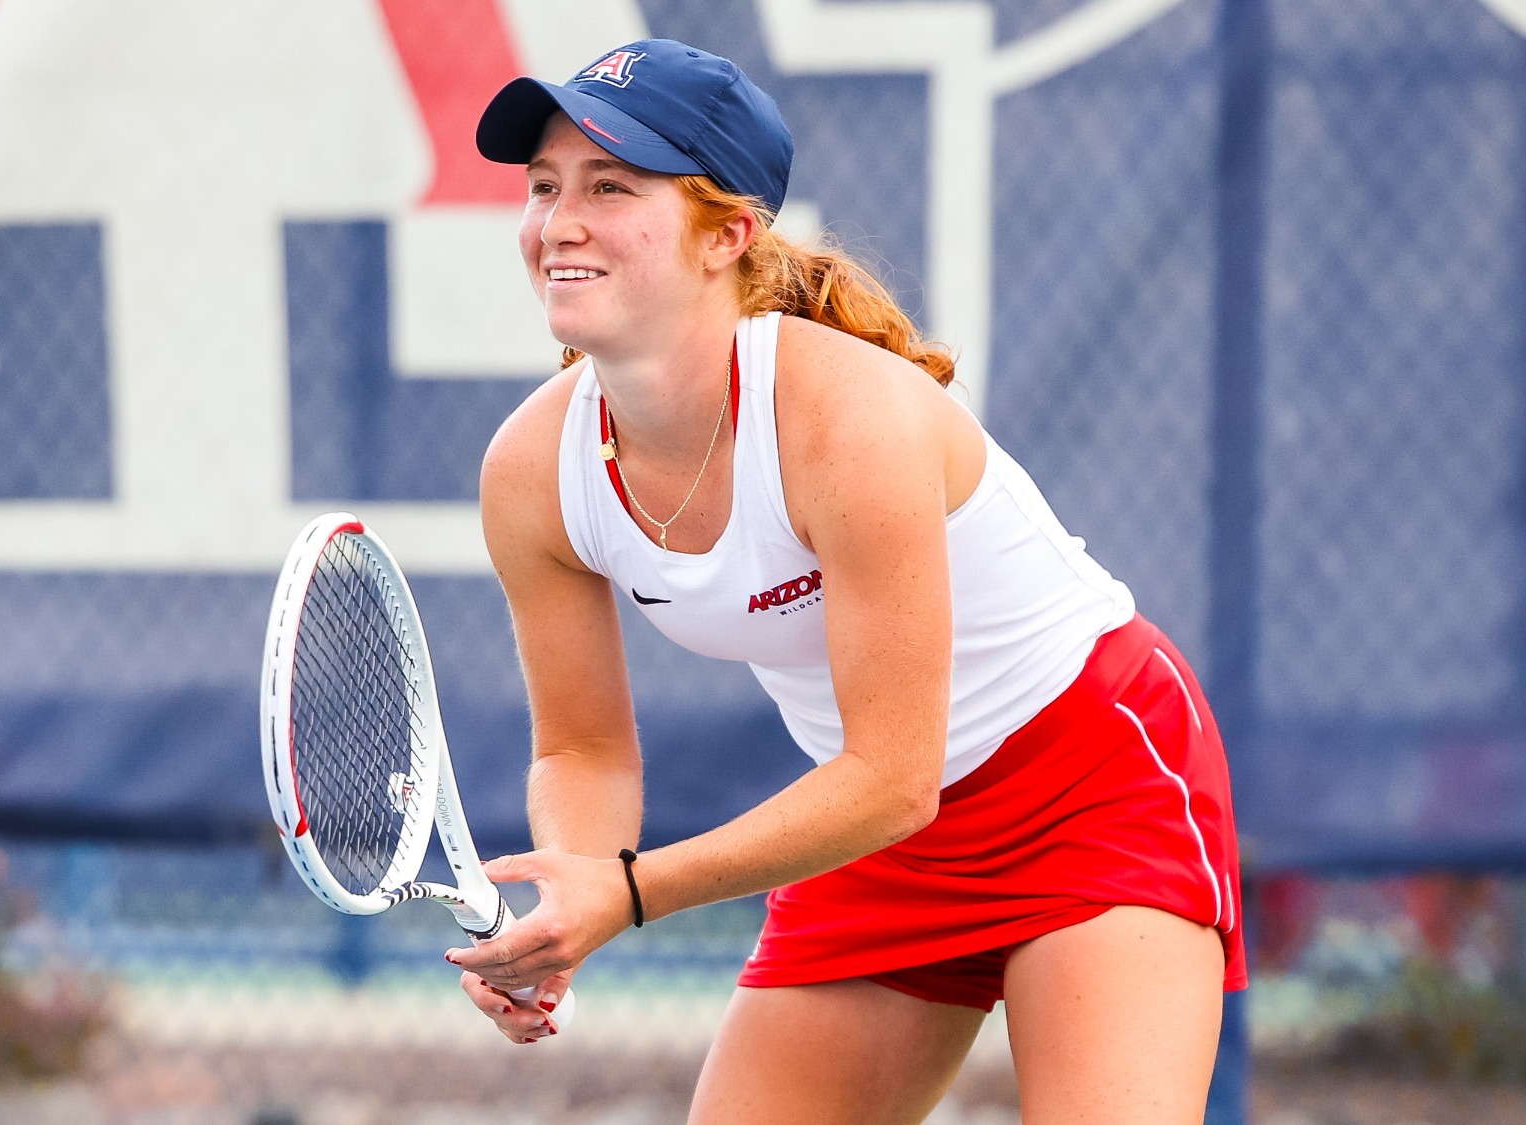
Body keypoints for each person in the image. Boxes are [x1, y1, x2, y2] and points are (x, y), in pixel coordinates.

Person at [452, 39, 1247, 1124]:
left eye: (610, 187)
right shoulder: (529, 472)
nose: (559, 222)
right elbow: (580, 750)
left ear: (725, 235)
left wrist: (628, 895)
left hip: (1086, 785)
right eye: (544, 187)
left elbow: (891, 773)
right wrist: (561, 908)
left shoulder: (845, 419)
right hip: (877, 838)